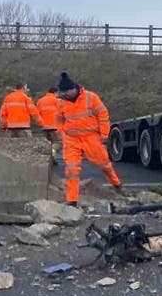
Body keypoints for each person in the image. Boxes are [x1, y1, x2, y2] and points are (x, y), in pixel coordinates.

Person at [56, 71, 122, 205]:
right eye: (63, 92)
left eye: (67, 91)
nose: (65, 94)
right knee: (71, 169)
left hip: (91, 138)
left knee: (104, 165)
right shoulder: (61, 102)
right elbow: (58, 120)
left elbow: (103, 116)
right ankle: (72, 200)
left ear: (74, 88)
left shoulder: (91, 97)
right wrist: (63, 134)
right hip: (71, 140)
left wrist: (104, 135)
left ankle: (116, 184)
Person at [36, 86, 61, 163]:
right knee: (58, 143)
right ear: (55, 92)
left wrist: (40, 123)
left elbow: (37, 113)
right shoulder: (56, 101)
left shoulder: (40, 101)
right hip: (54, 126)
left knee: (47, 143)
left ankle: (49, 159)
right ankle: (52, 155)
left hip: (44, 126)